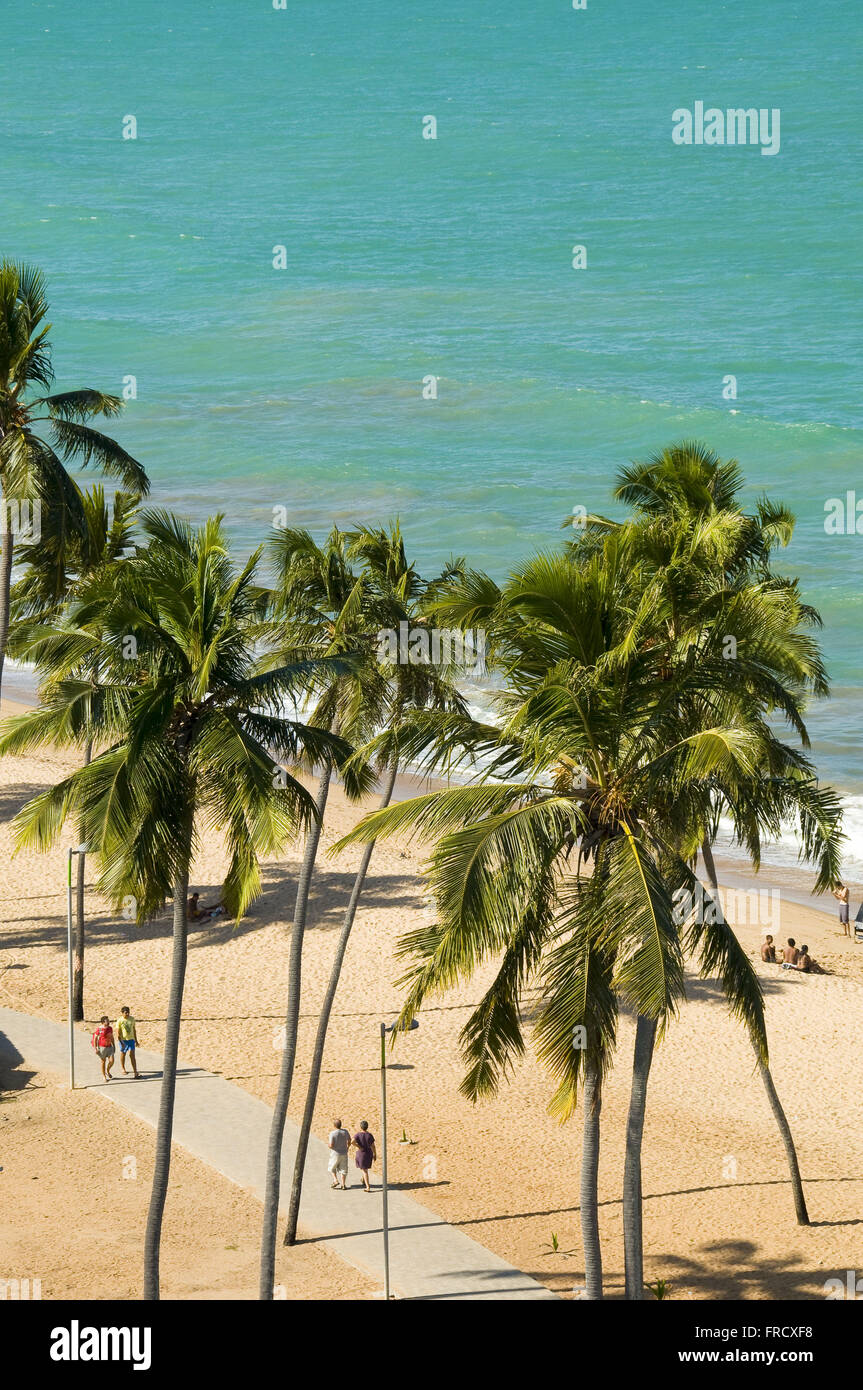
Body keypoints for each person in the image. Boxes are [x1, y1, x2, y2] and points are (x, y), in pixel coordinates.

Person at [352, 1120, 377, 1192]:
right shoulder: (369, 1135)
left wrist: (358, 1146)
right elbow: (373, 1146)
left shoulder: (358, 1134)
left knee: (364, 1170)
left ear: (360, 1127)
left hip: (361, 1153)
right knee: (365, 1168)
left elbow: (352, 1142)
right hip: (369, 1153)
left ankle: (368, 1187)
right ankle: (363, 1180)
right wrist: (375, 1154)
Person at [116, 1006, 140, 1078]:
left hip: (131, 1040)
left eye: (128, 1012)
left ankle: (135, 1071)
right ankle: (123, 1068)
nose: (127, 1014)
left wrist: (136, 1040)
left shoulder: (132, 1019)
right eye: (126, 1013)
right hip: (123, 1040)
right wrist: (120, 1040)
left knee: (132, 1055)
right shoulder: (120, 1020)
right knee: (123, 1054)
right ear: (122, 1013)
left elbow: (134, 1029)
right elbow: (118, 1031)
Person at [327, 1119, 351, 1190]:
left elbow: (331, 1145)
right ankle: (343, 1184)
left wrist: (328, 1146)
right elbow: (349, 1140)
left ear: (334, 1125)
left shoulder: (332, 1133)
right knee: (343, 1169)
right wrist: (347, 1147)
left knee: (332, 1167)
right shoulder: (345, 1131)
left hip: (335, 1153)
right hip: (344, 1152)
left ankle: (335, 1180)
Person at [91, 1016, 115, 1082]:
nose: (108, 1022)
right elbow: (95, 1038)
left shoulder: (110, 1028)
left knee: (112, 1061)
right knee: (103, 1062)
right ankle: (104, 1076)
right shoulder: (99, 1029)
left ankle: (108, 1070)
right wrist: (95, 1048)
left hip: (109, 1046)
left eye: (108, 1020)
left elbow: (111, 1037)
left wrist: (114, 1045)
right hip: (102, 1047)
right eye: (107, 1021)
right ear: (103, 1022)